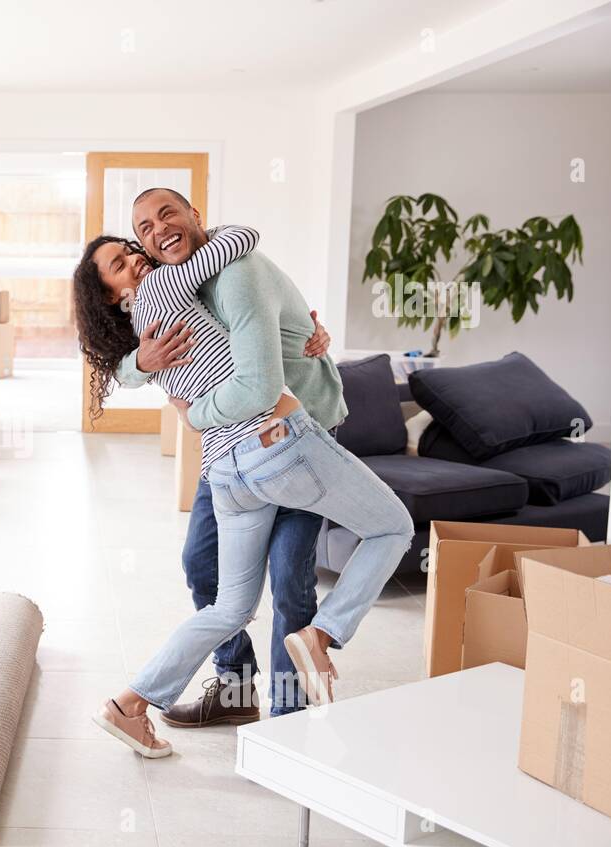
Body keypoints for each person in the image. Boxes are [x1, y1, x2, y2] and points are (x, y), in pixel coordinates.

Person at [74, 191, 414, 758]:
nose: (141, 250)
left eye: (141, 240)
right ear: (111, 294)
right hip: (275, 445)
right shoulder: (171, 285)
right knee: (393, 529)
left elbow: (249, 307)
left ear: (190, 217)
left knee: (238, 603)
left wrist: (306, 343)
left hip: (230, 466)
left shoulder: (158, 309)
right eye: (124, 256)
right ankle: (319, 639)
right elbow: (240, 244)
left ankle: (130, 704)